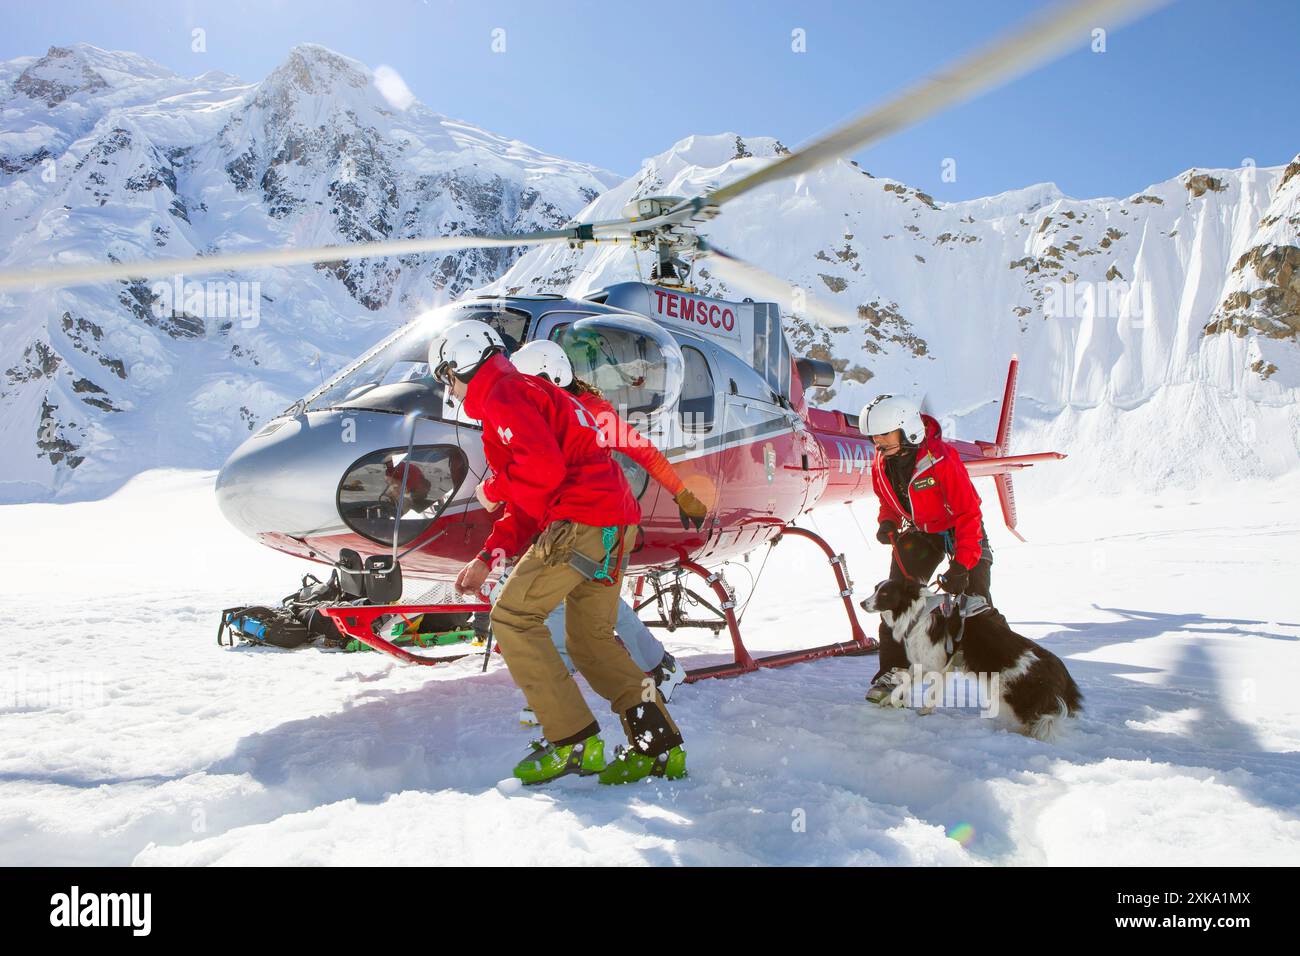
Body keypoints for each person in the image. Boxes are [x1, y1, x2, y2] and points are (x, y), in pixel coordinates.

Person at [432, 319, 686, 786]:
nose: (450, 388)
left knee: (513, 617)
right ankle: (659, 748)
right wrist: (489, 555)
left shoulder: (504, 394)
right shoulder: (529, 392)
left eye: (447, 376)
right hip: (614, 523)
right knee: (590, 641)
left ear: (459, 363)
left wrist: (494, 487)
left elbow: (543, 472)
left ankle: (572, 740)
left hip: (581, 520)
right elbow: (530, 500)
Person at [509, 338, 706, 712]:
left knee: (561, 600)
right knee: (591, 602)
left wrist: (683, 494)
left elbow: (642, 450)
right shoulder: (545, 414)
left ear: (549, 378)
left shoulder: (592, 413)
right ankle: (659, 666)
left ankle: (560, 689)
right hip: (573, 520)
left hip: (600, 523)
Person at [858, 394, 997, 704]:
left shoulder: (941, 460)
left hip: (961, 529)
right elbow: (887, 501)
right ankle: (894, 673)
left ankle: (1004, 671)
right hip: (922, 533)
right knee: (894, 598)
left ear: (907, 429)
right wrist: (888, 521)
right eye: (874, 436)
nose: (877, 442)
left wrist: (961, 565)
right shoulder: (882, 463)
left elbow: (968, 513)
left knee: (976, 602)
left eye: (884, 434)